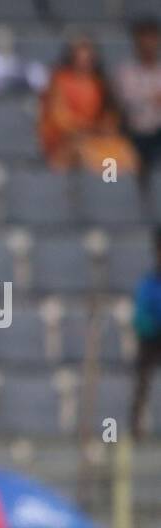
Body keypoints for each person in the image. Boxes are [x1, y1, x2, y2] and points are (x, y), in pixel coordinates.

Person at [39, 38, 138, 173]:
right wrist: (84, 129)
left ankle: (112, 187)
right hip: (66, 140)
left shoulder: (100, 82)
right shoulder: (59, 80)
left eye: (88, 58)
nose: (84, 62)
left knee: (125, 154)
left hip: (95, 137)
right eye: (80, 58)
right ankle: (91, 190)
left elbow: (109, 115)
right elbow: (58, 117)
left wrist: (105, 128)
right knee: (86, 155)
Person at [114, 18, 161, 189]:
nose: (148, 43)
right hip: (132, 135)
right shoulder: (126, 71)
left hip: (158, 134)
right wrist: (152, 97)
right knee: (110, 169)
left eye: (152, 38)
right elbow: (127, 100)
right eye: (144, 38)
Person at [130, 227, 161, 439]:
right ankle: (136, 428)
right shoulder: (148, 284)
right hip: (151, 340)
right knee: (141, 381)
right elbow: (140, 319)